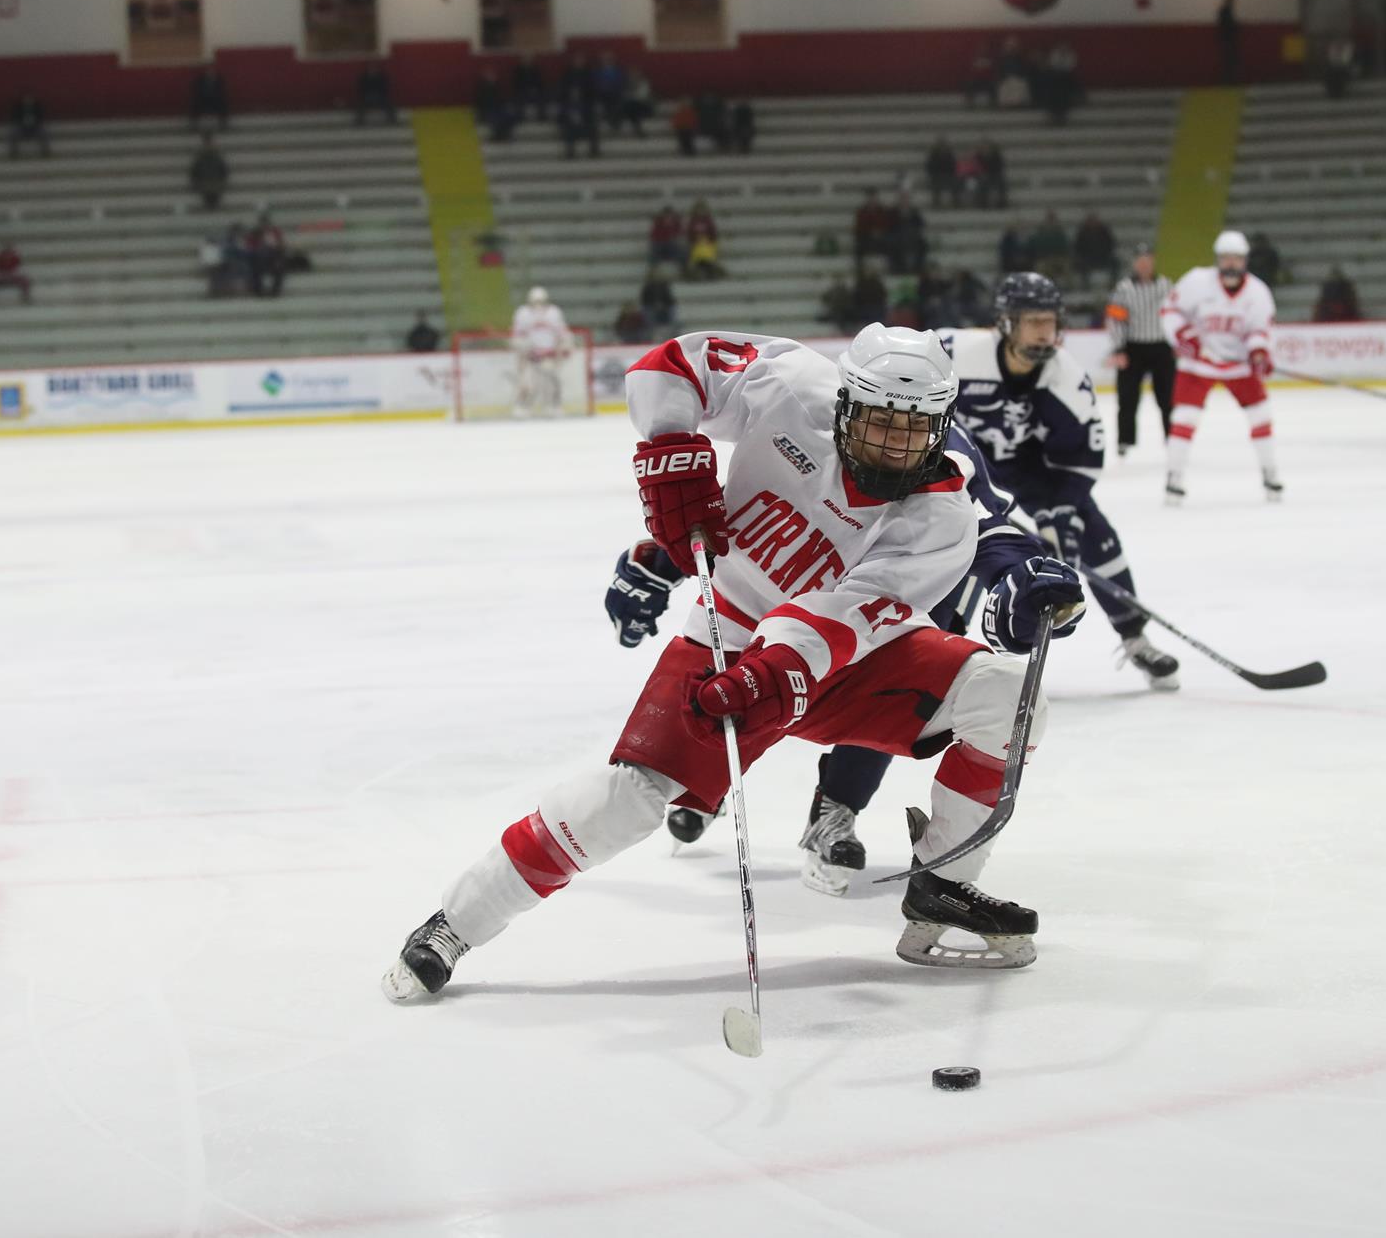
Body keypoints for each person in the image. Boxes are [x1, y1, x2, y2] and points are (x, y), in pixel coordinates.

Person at [382, 325, 1063, 1004]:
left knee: (1008, 694)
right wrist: (670, 445)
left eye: (915, 430)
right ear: (846, 404)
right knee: (627, 799)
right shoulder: (794, 386)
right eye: (881, 422)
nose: (895, 444)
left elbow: (849, 614)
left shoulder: (941, 518)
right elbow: (671, 362)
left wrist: (777, 671)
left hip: (841, 661)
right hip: (724, 637)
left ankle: (943, 881)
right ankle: (456, 922)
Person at [607, 415, 1086, 890]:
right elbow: (759, 510)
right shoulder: (822, 415)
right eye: (888, 416)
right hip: (767, 606)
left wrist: (1024, 574)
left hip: (865, 614)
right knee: (725, 708)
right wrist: (663, 559)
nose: (900, 435)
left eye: (917, 417)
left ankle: (836, 807)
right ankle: (708, 778)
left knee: (900, 669)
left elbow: (985, 526)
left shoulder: (946, 450)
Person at [946, 272, 1181, 691]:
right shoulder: (956, 353)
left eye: (1049, 322)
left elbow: (1083, 459)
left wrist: (1063, 513)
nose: (1044, 332)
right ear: (1006, 323)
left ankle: (1135, 637)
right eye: (1032, 321)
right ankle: (944, 650)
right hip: (966, 473)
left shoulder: (1066, 378)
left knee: (1095, 533)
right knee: (967, 547)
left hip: (1029, 477)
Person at [1159, 230, 1281, 505]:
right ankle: (1174, 477)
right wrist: (1183, 336)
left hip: (1237, 366)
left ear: (1245, 260)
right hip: (1199, 363)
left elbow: (1261, 329)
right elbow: (1170, 310)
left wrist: (1259, 352)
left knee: (1261, 415)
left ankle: (1270, 473)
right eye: (1226, 258)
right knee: (1184, 418)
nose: (1231, 264)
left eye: (1236, 258)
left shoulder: (1258, 293)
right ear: (1217, 259)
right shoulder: (1196, 282)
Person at [1104, 243, 1175, 455]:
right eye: (1140, 259)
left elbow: (1176, 315)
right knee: (1127, 398)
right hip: (1132, 348)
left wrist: (1176, 343)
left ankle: (1173, 438)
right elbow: (1115, 320)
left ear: (1153, 261)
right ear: (1135, 262)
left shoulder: (1166, 285)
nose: (1144, 263)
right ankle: (1125, 440)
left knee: (1168, 397)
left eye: (1148, 259)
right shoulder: (1124, 288)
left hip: (1161, 347)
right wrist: (1118, 348)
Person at [509, 286, 572, 417]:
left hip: (549, 355)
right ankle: (523, 406)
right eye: (535, 302)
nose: (538, 305)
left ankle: (553, 406)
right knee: (528, 384)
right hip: (529, 356)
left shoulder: (554, 312)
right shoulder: (523, 313)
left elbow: (562, 333)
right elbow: (516, 335)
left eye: (541, 301)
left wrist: (565, 344)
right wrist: (522, 347)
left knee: (552, 382)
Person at [1073, 212, 1117, 290]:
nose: (1093, 223)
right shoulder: (1082, 233)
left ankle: (1113, 284)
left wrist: (1106, 254)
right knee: (1080, 265)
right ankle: (1085, 287)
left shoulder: (1104, 232)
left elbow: (1111, 245)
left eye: (1094, 221)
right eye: (1091, 221)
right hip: (1087, 259)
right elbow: (1078, 248)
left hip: (1103, 257)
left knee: (1115, 262)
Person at [853, 190, 893, 269]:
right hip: (866, 237)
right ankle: (860, 270)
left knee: (891, 244)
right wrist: (870, 232)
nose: (872, 201)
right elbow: (859, 227)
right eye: (870, 199)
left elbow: (887, 225)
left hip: (881, 237)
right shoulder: (862, 211)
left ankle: (891, 268)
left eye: (873, 198)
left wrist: (880, 232)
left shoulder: (882, 211)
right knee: (859, 248)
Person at [189, 133, 228, 210]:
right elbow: (194, 171)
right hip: (208, 182)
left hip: (212, 181)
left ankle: (212, 203)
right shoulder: (202, 158)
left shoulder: (215, 157)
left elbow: (223, 170)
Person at [1027, 211, 1069, 282]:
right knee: (1040, 267)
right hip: (1044, 258)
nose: (1051, 222)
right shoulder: (1041, 233)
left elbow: (1064, 247)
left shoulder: (1060, 233)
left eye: (1052, 219)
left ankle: (1068, 287)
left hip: (1058, 258)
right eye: (1049, 219)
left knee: (1066, 266)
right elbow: (1037, 246)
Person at [7, 92, 50, 160]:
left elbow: (41, 118)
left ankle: (45, 152)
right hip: (22, 127)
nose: (28, 100)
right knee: (13, 133)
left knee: (43, 133)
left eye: (30, 99)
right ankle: (13, 152)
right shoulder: (18, 107)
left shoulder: (37, 107)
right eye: (26, 99)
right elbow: (14, 118)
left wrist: (35, 122)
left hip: (35, 127)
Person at [189, 67, 229, 131]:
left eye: (211, 72)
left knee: (222, 102)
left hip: (215, 99)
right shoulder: (201, 80)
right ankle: (194, 124)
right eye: (208, 72)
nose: (210, 73)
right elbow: (197, 90)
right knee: (195, 102)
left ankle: (223, 123)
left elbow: (220, 91)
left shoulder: (218, 80)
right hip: (203, 99)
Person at [640, 267, 678, 333]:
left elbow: (669, 298)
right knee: (648, 312)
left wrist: (663, 304)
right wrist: (654, 304)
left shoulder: (664, 285)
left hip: (665, 306)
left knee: (672, 309)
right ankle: (651, 331)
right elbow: (644, 299)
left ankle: (672, 330)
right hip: (651, 306)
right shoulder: (648, 286)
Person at [511, 55, 547, 121]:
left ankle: (541, 118)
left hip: (534, 92)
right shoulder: (518, 71)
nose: (527, 61)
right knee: (519, 101)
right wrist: (525, 89)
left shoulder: (535, 70)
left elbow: (540, 83)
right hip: (521, 92)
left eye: (529, 59)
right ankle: (519, 119)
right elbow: (516, 84)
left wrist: (535, 89)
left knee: (541, 99)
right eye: (525, 59)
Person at [925, 137, 958, 208]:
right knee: (936, 182)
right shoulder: (933, 156)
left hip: (948, 176)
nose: (942, 148)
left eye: (944, 146)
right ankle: (936, 203)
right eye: (941, 146)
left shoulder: (950, 156)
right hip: (937, 176)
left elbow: (953, 167)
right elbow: (929, 167)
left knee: (955, 182)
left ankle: (956, 202)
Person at [976, 139, 1008, 209]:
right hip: (983, 177)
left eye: (987, 147)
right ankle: (982, 203)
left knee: (1001, 182)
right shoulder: (978, 157)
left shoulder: (996, 156)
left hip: (994, 176)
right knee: (980, 183)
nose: (985, 149)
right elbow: (976, 168)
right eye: (984, 147)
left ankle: (1002, 202)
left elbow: (999, 168)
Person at [621, 71, 654, 137]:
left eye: (635, 75)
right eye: (632, 75)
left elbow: (643, 96)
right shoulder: (627, 84)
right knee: (631, 108)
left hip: (643, 105)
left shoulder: (644, 83)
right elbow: (625, 95)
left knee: (633, 107)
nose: (634, 77)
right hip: (632, 106)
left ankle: (637, 129)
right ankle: (638, 129)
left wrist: (632, 95)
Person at [1217, 0, 1241, 84]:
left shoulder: (1225, 11)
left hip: (1226, 38)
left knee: (1229, 60)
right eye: (1232, 1)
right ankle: (1228, 80)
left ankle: (1228, 79)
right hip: (1228, 39)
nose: (1233, 3)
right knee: (1230, 60)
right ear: (1229, 1)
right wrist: (1235, 25)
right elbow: (1228, 25)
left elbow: (1223, 24)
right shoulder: (1226, 11)